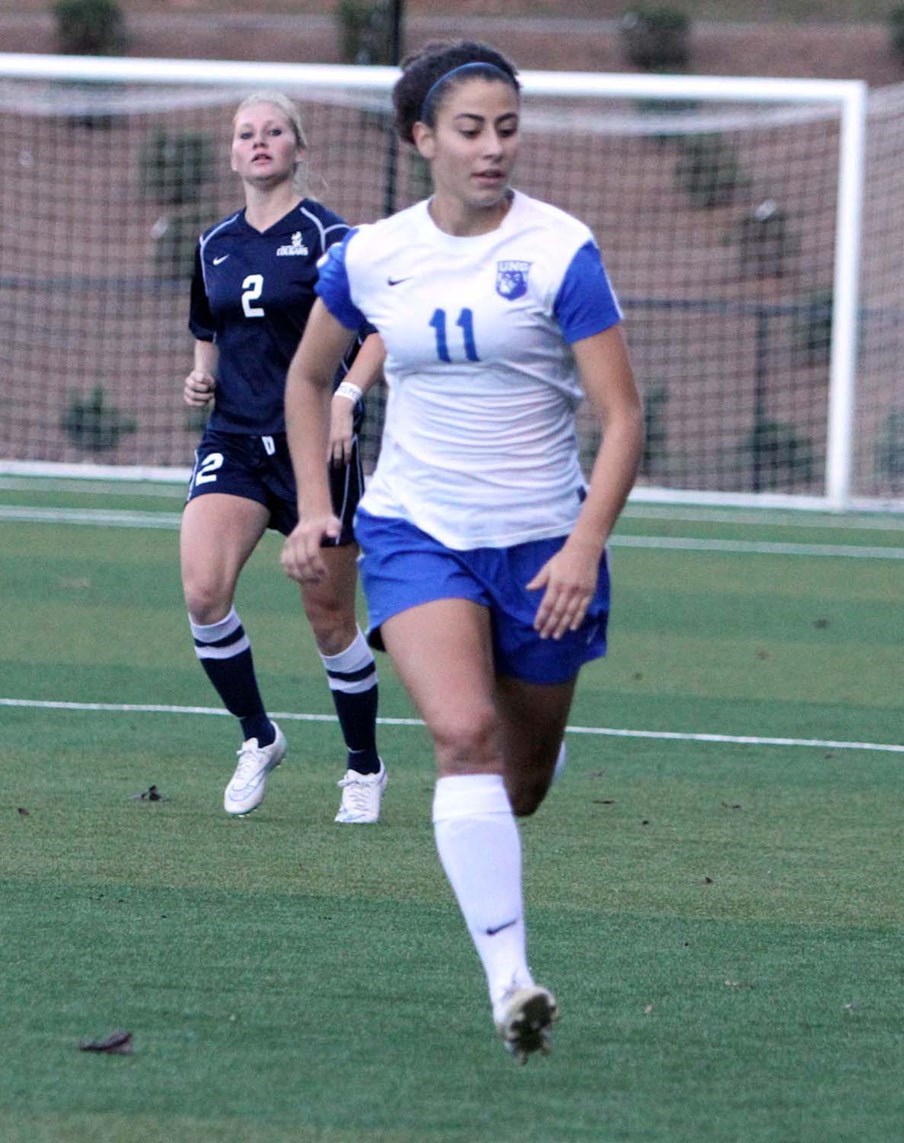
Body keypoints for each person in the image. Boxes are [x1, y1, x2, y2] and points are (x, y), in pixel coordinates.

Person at [279, 40, 644, 1062]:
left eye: (508, 128)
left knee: (518, 785)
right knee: (461, 734)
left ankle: (531, 748)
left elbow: (622, 417)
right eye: (471, 129)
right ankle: (511, 981)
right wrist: (313, 509)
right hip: (414, 531)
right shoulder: (372, 255)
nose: (493, 148)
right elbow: (307, 379)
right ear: (422, 139)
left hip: (542, 547)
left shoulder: (561, 251)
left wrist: (583, 545)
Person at [182, 91, 387, 824]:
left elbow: (380, 329)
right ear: (233, 153)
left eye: (274, 131)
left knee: (329, 621)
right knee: (204, 591)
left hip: (314, 451)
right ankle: (258, 736)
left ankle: (363, 766)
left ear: (299, 147)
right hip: (234, 440)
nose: (260, 142)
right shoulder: (213, 243)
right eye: (247, 134)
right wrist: (201, 374)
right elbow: (209, 325)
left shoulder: (333, 237)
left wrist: (347, 396)